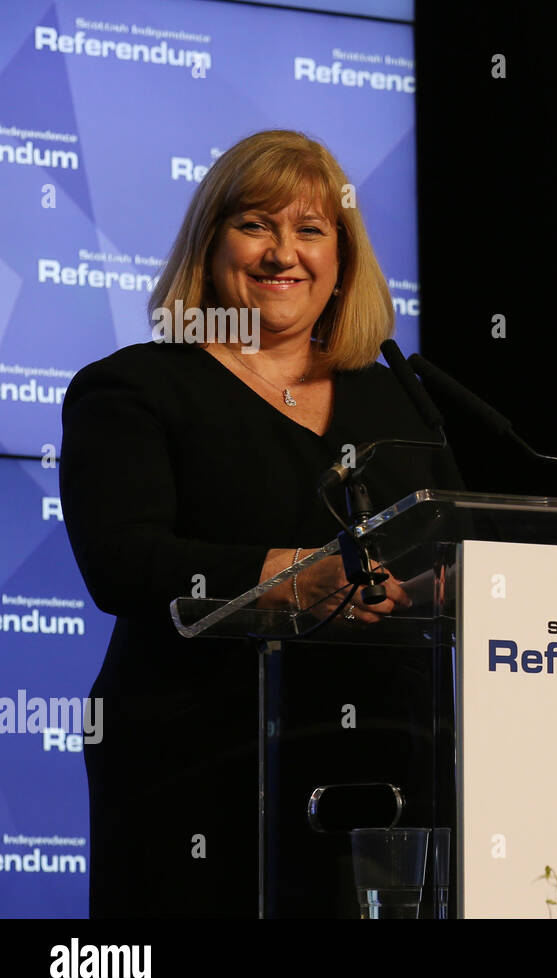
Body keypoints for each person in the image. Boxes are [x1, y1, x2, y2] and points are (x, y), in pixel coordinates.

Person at [59, 130, 463, 917]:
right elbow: (123, 562)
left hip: (389, 771)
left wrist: (436, 587)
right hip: (205, 768)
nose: (285, 252)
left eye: (311, 230)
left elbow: (450, 545)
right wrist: (289, 577)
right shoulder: (134, 389)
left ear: (343, 260)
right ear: (209, 246)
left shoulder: (396, 398)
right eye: (257, 225)